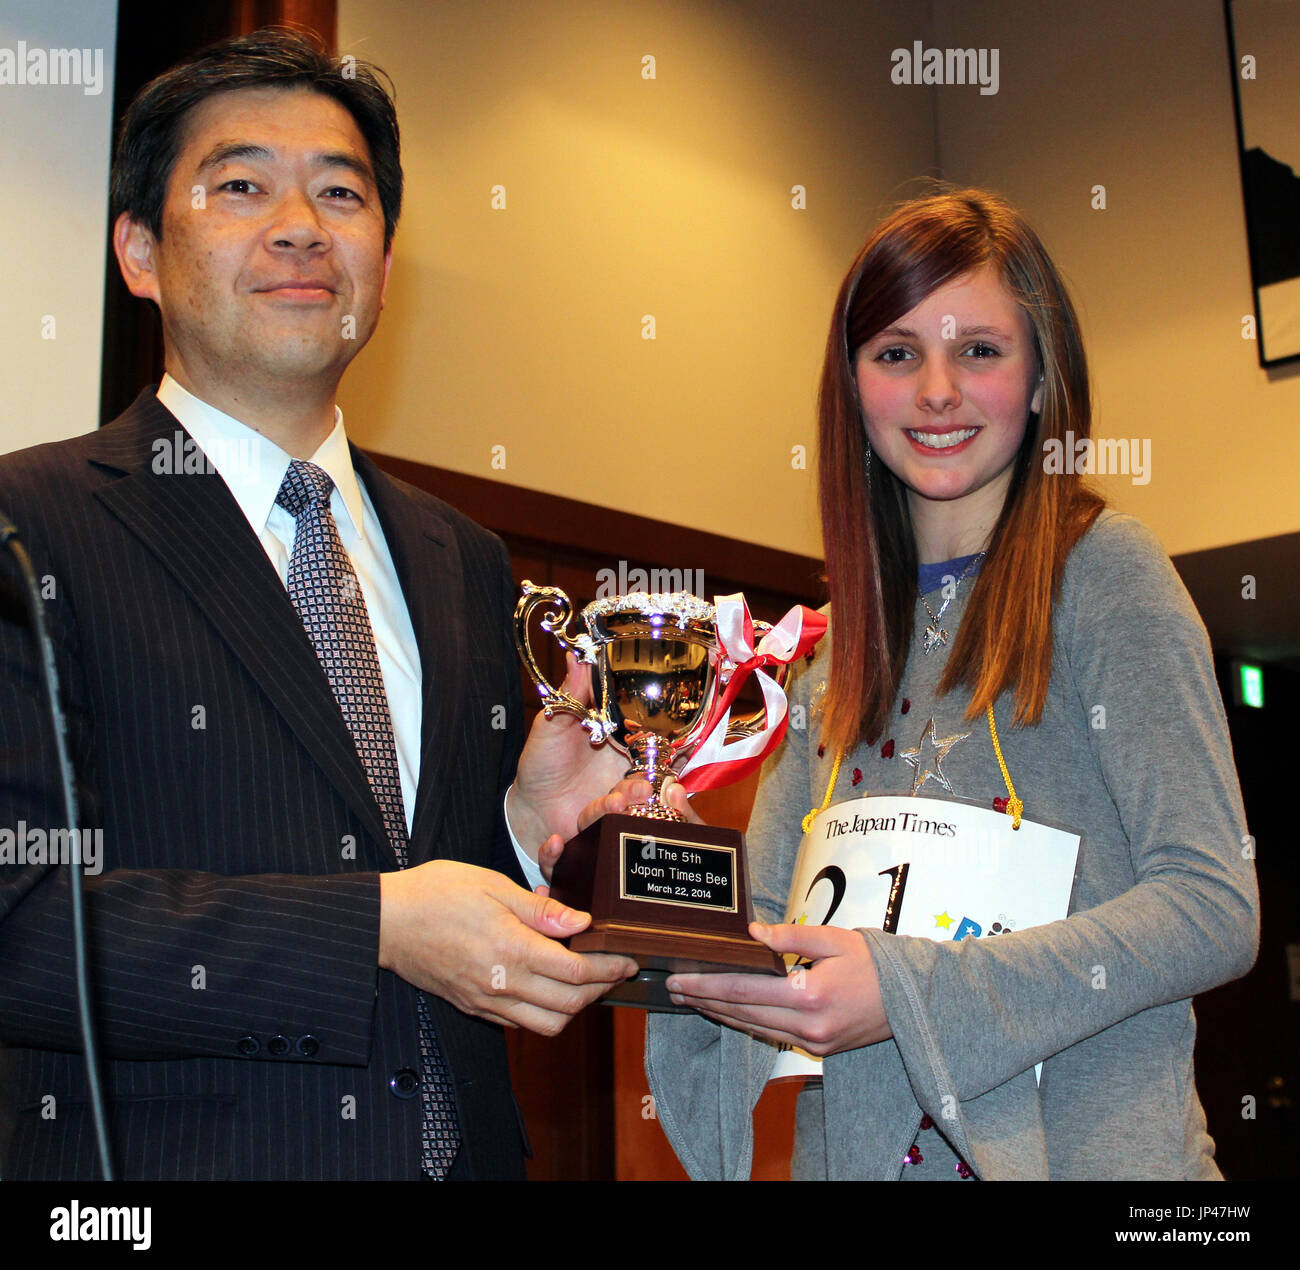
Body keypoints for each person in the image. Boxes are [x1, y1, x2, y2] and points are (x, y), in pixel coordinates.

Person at [0, 28, 638, 1181]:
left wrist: (522, 831)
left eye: (339, 192)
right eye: (241, 185)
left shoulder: (463, 559)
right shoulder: (28, 525)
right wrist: (373, 929)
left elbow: (441, 885)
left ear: (385, 267)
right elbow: (17, 919)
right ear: (138, 252)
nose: (300, 224)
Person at [628, 187, 1260, 1180]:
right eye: (894, 352)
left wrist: (910, 989)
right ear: (852, 389)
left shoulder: (1105, 576)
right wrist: (634, 894)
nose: (935, 390)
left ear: (1042, 374)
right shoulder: (832, 652)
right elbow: (764, 925)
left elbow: (1212, 904)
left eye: (978, 350)